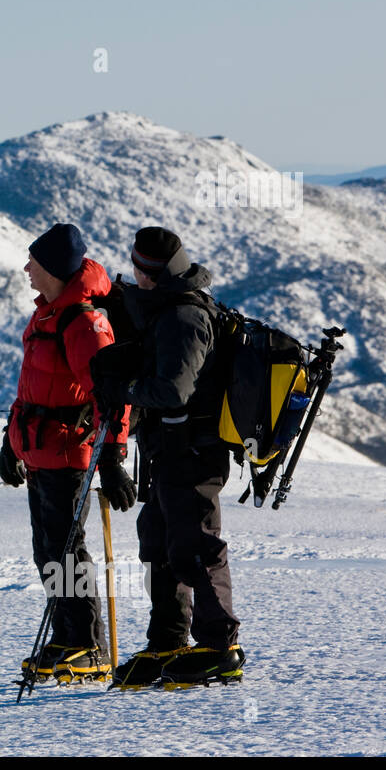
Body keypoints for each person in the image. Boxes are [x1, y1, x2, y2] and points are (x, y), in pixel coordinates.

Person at [91, 226, 245, 689]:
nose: (133, 276)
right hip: (171, 452)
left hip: (194, 453)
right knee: (159, 541)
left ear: (151, 272)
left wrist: (124, 389)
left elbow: (173, 390)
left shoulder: (183, 317)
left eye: (137, 270)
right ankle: (169, 642)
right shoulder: (167, 308)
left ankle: (221, 649)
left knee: (196, 547)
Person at [0, 223, 136, 684]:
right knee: (48, 551)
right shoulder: (47, 315)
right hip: (40, 452)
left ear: (54, 269)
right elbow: (32, 385)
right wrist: (10, 440)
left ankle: (87, 646)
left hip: (68, 453)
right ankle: (68, 637)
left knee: (65, 552)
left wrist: (114, 459)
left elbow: (111, 394)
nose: (26, 269)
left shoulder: (82, 322)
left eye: (33, 262)